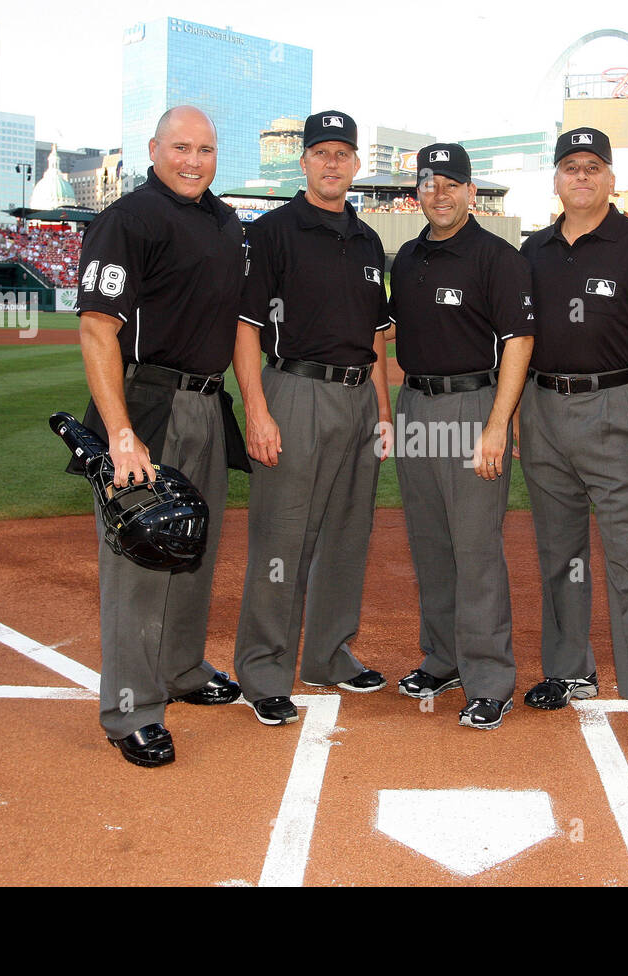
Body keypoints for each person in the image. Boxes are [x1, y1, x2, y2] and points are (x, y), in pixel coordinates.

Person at [75, 106, 246, 768]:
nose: (193, 159)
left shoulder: (226, 223)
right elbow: (96, 329)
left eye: (205, 148)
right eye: (180, 147)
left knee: (192, 547)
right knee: (140, 559)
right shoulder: (128, 218)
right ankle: (130, 710)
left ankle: (181, 669)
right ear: (154, 149)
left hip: (206, 402)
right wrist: (119, 431)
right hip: (146, 400)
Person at [517, 126, 628, 746]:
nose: (581, 177)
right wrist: (511, 416)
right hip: (542, 409)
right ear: (556, 179)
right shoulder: (532, 249)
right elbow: (516, 342)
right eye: (570, 168)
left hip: (617, 406)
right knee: (560, 554)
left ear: (610, 178)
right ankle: (568, 672)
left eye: (593, 167)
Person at [232, 110, 392, 726]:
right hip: (294, 391)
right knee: (282, 538)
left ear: (355, 164)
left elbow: (377, 338)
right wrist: (259, 412)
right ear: (303, 162)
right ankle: (265, 669)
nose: (332, 162)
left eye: (342, 153)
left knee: (348, 535)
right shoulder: (271, 232)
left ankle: (328, 654)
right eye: (320, 152)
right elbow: (245, 329)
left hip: (357, 398)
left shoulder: (370, 239)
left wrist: (382, 411)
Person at [388, 144, 535, 730]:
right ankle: (443, 658)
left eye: (453, 184)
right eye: (430, 183)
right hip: (415, 405)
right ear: (418, 191)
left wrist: (498, 424)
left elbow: (518, 342)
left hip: (473, 405)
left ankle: (490, 677)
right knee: (431, 546)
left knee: (476, 552)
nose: (441, 193)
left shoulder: (497, 256)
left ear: (472, 192)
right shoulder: (406, 259)